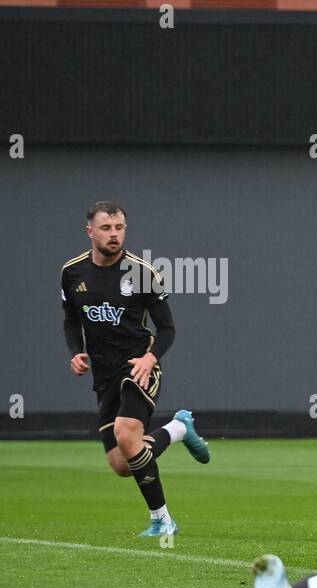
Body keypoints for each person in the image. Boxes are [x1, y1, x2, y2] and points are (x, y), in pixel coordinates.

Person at [61, 201, 210, 537]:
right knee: (122, 464)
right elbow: (70, 320)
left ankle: (163, 521)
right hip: (103, 374)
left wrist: (150, 358)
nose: (114, 235)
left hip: (138, 366)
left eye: (119, 228)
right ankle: (178, 429)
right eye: (106, 228)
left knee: (127, 436)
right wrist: (76, 352)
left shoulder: (143, 273)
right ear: (90, 232)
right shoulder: (72, 273)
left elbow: (167, 328)